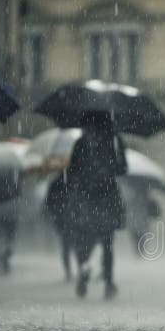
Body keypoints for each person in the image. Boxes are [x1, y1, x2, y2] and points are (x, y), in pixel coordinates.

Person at [64, 111, 127, 299]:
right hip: (108, 197)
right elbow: (123, 169)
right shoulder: (114, 141)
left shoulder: (80, 143)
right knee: (107, 243)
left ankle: (84, 268)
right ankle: (108, 282)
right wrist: (109, 167)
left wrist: (79, 186)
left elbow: (71, 172)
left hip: (86, 198)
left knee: (84, 239)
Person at [43, 173, 73, 280]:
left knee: (66, 245)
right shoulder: (75, 181)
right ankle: (79, 267)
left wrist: (54, 213)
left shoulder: (54, 184)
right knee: (76, 244)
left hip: (62, 218)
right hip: (73, 217)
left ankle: (68, 270)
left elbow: (48, 203)